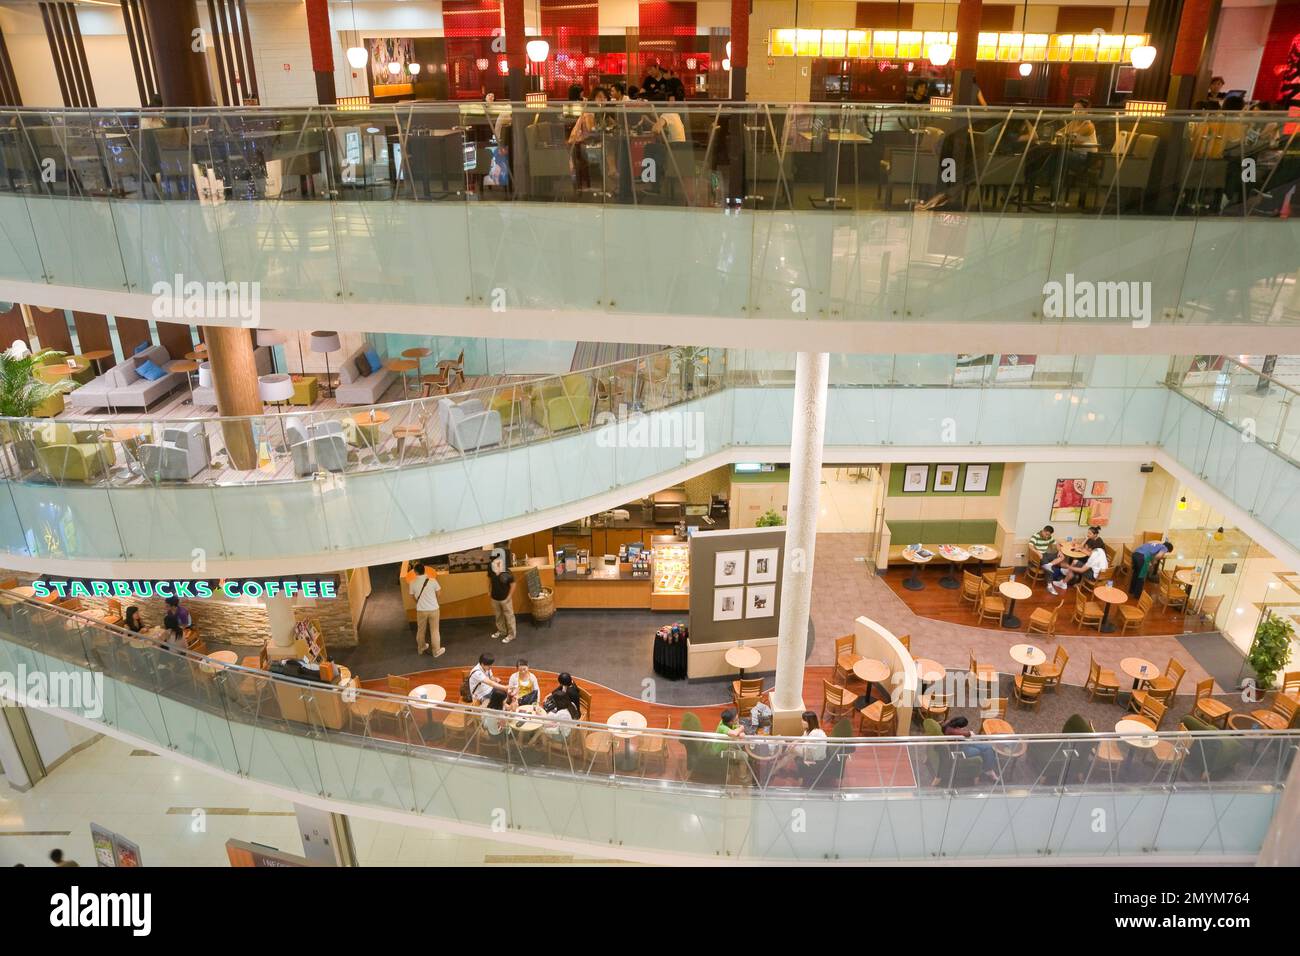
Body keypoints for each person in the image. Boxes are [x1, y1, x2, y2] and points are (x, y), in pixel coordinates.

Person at [941, 716, 997, 781]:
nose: (962, 728)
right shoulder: (953, 731)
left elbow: (963, 733)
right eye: (962, 727)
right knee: (980, 750)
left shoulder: (949, 723)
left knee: (988, 747)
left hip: (963, 743)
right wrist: (968, 732)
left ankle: (988, 769)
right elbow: (968, 734)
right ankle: (988, 769)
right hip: (960, 749)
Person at [408, 560, 444, 657]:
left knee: (420, 630)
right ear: (424, 570)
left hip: (421, 610)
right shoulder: (432, 581)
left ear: (415, 572)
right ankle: (436, 651)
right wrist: (433, 600)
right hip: (434, 609)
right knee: (435, 631)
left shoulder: (412, 583)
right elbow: (439, 594)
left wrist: (419, 602)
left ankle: (421, 648)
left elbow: (412, 596)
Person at [791, 711, 828, 786]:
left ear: (809, 722)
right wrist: (794, 742)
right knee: (790, 751)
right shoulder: (809, 730)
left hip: (816, 756)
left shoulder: (814, 734)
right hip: (811, 752)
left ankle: (776, 766)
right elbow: (802, 738)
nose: (801, 721)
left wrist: (806, 760)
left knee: (790, 750)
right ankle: (775, 769)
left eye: (804, 720)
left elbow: (808, 749)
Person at [487, 554, 517, 644]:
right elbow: (489, 579)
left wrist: (509, 596)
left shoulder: (507, 572)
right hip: (494, 598)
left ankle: (511, 635)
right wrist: (489, 591)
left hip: (505, 599)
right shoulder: (490, 569)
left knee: (509, 617)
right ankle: (502, 631)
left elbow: (513, 584)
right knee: (498, 616)